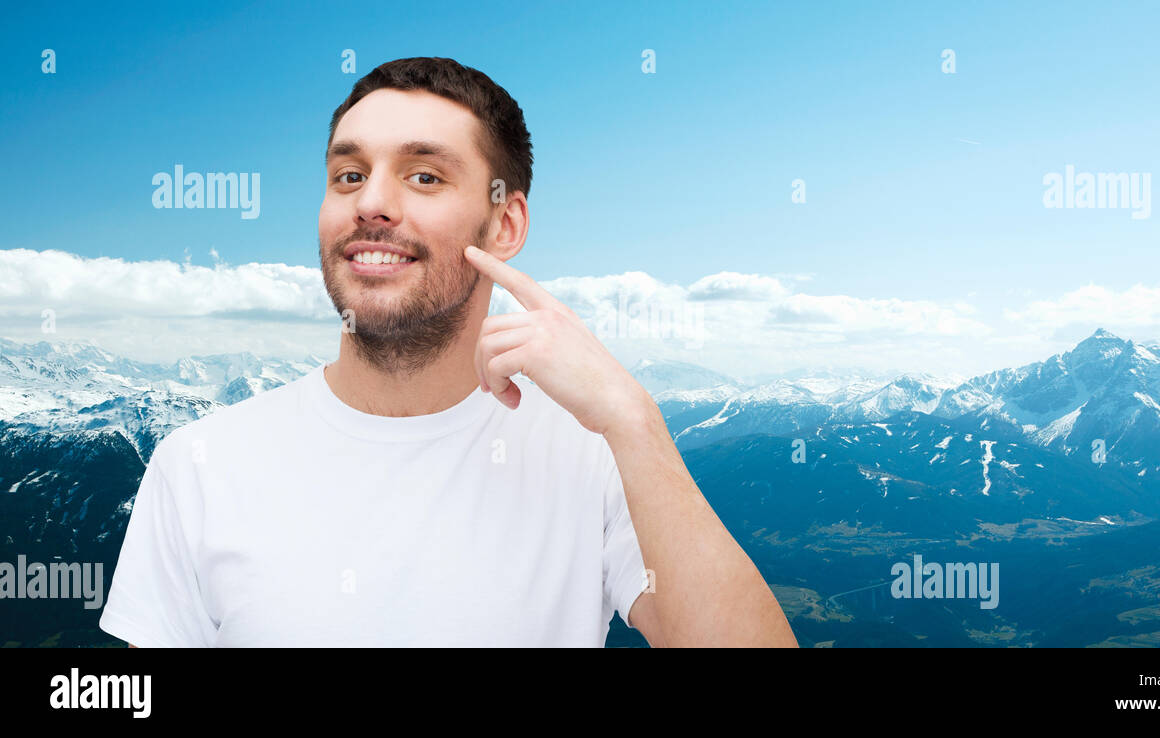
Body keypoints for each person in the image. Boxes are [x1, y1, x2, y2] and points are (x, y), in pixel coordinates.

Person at [99, 57, 796, 647]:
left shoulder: (593, 454)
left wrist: (632, 419)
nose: (372, 202)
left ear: (504, 223)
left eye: (424, 177)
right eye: (348, 175)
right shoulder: (196, 464)